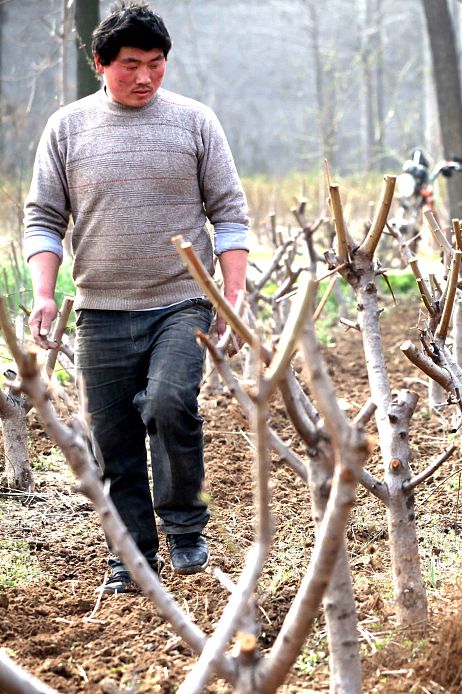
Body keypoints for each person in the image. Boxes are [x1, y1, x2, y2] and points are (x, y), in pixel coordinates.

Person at [24, 2, 250, 594]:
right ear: (101, 64)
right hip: (101, 309)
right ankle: (131, 555)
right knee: (114, 438)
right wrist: (44, 293)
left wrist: (231, 290)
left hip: (182, 300)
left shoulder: (196, 122)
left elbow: (229, 212)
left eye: (156, 64)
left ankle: (184, 525)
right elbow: (44, 218)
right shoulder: (67, 129)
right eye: (130, 65)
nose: (145, 76)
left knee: (171, 404)